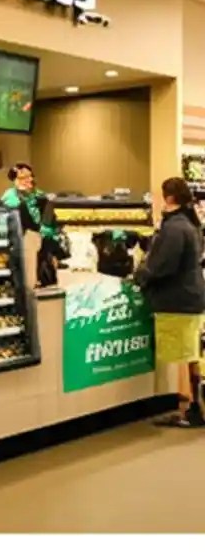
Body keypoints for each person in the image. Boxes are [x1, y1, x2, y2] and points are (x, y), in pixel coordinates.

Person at [136, 177, 205, 428]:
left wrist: (141, 275)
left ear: (169, 197)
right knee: (192, 355)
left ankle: (189, 409)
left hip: (177, 300)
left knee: (181, 356)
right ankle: (196, 408)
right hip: (192, 297)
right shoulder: (190, 224)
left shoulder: (175, 227)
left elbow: (162, 266)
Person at [0, 162, 63, 287]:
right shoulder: (10, 197)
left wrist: (48, 233)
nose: (26, 180)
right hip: (22, 245)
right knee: (26, 280)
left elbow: (51, 222)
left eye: (29, 176)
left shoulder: (40, 196)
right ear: (14, 181)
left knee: (46, 279)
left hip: (43, 247)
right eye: (21, 178)